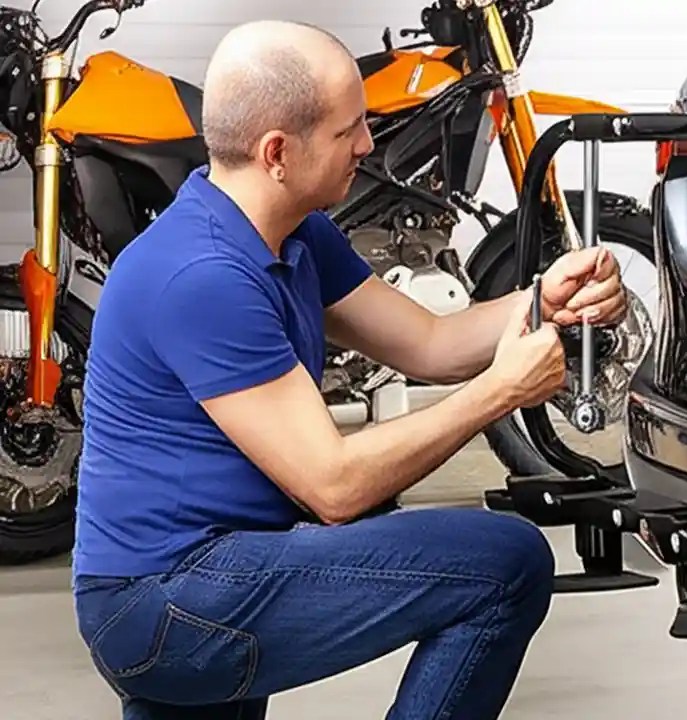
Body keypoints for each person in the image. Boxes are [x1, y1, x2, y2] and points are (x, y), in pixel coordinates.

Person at [69, 19, 629, 720]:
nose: (367, 145)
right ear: (278, 152)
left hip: (209, 574)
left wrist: (544, 300)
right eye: (349, 130)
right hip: (171, 601)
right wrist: (501, 392)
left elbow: (431, 343)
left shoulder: (294, 230)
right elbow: (334, 486)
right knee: (507, 564)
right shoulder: (203, 273)